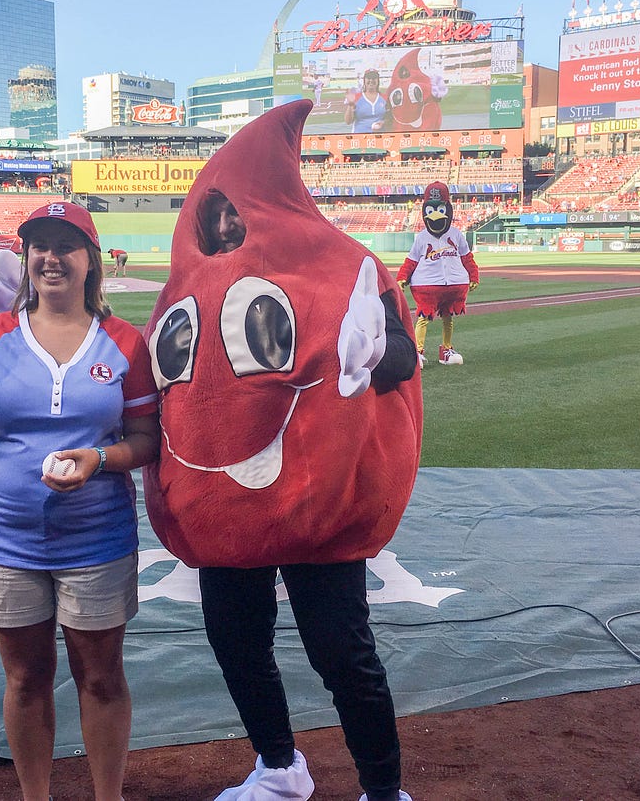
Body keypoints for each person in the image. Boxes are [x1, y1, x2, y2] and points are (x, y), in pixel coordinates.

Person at [144, 100, 422, 801]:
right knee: (236, 643)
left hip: (311, 488)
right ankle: (278, 767)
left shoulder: (347, 266)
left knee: (342, 653)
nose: (227, 224)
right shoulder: (187, 285)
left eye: (238, 209)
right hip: (223, 495)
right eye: (217, 214)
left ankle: (384, 791)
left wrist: (370, 355)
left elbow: (398, 357)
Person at [0, 201, 160, 801]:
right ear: (27, 257)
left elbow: (145, 441)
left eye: (66, 246)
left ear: (91, 260)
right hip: (4, 538)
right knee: (26, 679)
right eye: (39, 246)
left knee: (102, 677)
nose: (51, 258)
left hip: (98, 538)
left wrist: (98, 460)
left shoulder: (125, 343)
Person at [397, 181, 480, 365]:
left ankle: (446, 350)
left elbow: (467, 257)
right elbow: (411, 260)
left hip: (451, 284)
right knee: (423, 319)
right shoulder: (422, 237)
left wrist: (473, 275)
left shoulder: (456, 234)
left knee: (448, 318)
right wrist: (402, 277)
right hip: (427, 283)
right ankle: (417, 351)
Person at [343, 69, 388, 134]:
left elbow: (389, 118)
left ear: (378, 81)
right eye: (368, 78)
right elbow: (348, 121)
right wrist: (350, 105)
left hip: (379, 138)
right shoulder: (356, 97)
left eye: (374, 78)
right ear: (364, 80)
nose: (371, 80)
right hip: (360, 138)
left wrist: (383, 123)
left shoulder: (384, 98)